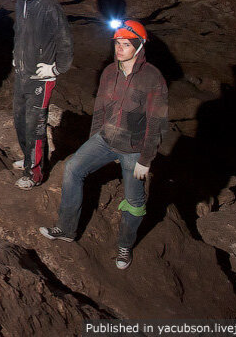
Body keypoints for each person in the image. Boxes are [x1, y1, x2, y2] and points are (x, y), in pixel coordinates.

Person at [40, 20, 168, 271]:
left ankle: (124, 246)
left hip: (134, 147)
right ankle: (66, 229)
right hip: (105, 139)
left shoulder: (153, 78)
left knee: (134, 201)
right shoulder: (110, 71)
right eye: (117, 44)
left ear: (139, 47)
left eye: (125, 44)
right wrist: (93, 139)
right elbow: (99, 108)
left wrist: (146, 158)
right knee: (73, 168)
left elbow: (157, 122)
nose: (119, 49)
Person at [11, 0, 73, 190]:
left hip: (41, 77)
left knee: (34, 125)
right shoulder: (21, 3)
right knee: (19, 120)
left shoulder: (49, 5)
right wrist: (16, 55)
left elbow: (65, 41)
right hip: (22, 73)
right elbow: (20, 33)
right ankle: (28, 159)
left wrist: (55, 68)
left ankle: (35, 174)